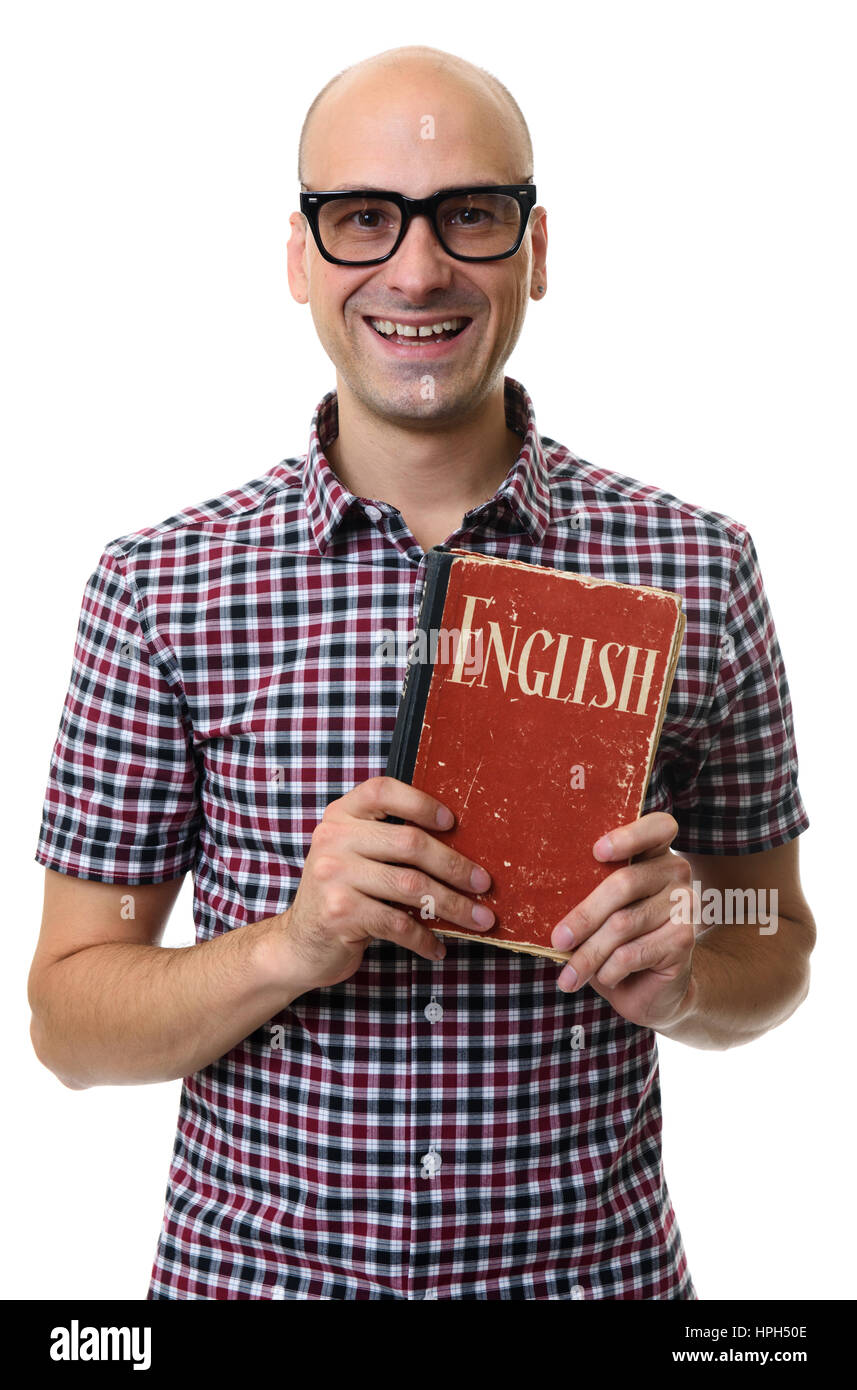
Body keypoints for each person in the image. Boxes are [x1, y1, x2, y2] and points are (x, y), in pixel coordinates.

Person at [29, 45, 815, 1301]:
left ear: (535, 248)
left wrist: (685, 954)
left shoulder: (696, 567)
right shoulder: (158, 587)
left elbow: (767, 930)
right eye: (360, 219)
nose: (415, 266)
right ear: (299, 259)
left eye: (469, 214)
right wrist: (286, 944)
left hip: (591, 1286)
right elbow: (69, 1013)